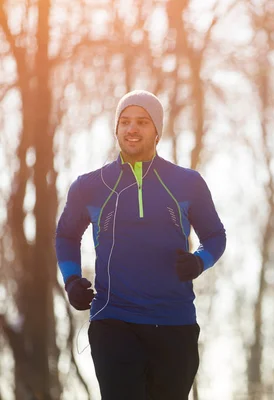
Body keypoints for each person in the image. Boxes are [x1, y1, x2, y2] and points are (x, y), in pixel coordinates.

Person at [55, 90, 226, 400]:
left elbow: (215, 235)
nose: (131, 129)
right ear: (116, 128)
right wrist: (70, 280)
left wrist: (200, 261)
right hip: (113, 320)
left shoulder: (187, 183)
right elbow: (66, 236)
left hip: (174, 322)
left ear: (157, 131)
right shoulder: (89, 186)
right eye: (124, 122)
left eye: (142, 122)